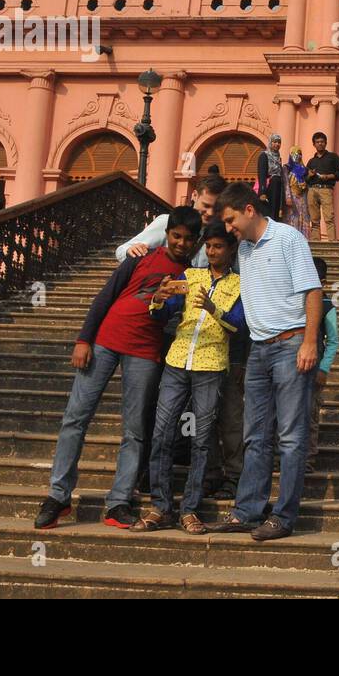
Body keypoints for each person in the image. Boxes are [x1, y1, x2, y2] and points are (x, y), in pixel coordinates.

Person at [34, 206, 202, 531]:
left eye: (188, 239)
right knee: (75, 418)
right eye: (176, 236)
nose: (181, 243)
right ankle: (58, 496)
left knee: (135, 430)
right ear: (167, 234)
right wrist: (84, 339)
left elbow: (169, 320)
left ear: (196, 241)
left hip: (145, 351)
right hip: (105, 340)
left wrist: (164, 302)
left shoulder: (190, 277)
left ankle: (119, 502)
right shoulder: (140, 258)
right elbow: (105, 296)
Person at [207, 183, 322, 541]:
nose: (228, 229)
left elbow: (313, 291)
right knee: (255, 435)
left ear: (249, 210)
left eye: (230, 220)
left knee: (289, 436)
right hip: (258, 350)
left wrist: (309, 342)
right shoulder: (243, 251)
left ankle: (284, 517)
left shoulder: (289, 239)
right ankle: (247, 510)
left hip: (290, 346)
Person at [133, 221, 246, 534]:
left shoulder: (238, 284)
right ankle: (160, 506)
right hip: (177, 360)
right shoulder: (190, 275)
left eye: (218, 246)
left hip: (210, 365)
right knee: (162, 434)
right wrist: (159, 298)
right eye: (208, 246)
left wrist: (214, 309)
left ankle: (190, 509)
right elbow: (165, 312)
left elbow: (239, 326)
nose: (211, 252)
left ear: (231, 250)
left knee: (202, 440)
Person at [116, 174, 226, 267]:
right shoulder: (167, 221)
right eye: (206, 205)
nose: (210, 212)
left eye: (216, 208)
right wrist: (132, 251)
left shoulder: (222, 233)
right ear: (194, 196)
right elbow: (122, 250)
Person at [305, 255, 339, 474]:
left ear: (323, 282)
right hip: (290, 365)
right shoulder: (296, 300)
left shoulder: (327, 304)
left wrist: (324, 368)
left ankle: (307, 458)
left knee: (309, 414)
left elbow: (333, 340)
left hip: (314, 368)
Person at [306, 132, 339, 241]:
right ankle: (315, 242)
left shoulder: (333, 157)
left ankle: (332, 242)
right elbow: (305, 179)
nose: (320, 144)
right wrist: (309, 175)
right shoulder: (311, 161)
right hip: (312, 190)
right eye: (317, 142)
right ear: (314, 144)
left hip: (326, 189)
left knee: (329, 217)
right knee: (314, 219)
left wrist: (328, 176)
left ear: (326, 143)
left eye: (322, 142)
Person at [282, 147, 312, 240]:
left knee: (304, 219)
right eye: (295, 153)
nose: (297, 156)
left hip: (303, 197)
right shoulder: (287, 167)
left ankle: (304, 241)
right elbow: (286, 182)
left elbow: (306, 184)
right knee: (292, 219)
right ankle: (291, 240)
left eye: (299, 154)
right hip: (292, 197)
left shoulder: (304, 169)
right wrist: (288, 196)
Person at [256, 134, 285, 222]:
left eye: (279, 142)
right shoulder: (264, 155)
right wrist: (262, 192)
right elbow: (262, 175)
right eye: (274, 142)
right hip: (269, 188)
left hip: (278, 187)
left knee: (277, 213)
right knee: (269, 213)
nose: (277, 144)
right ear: (270, 143)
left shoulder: (278, 158)